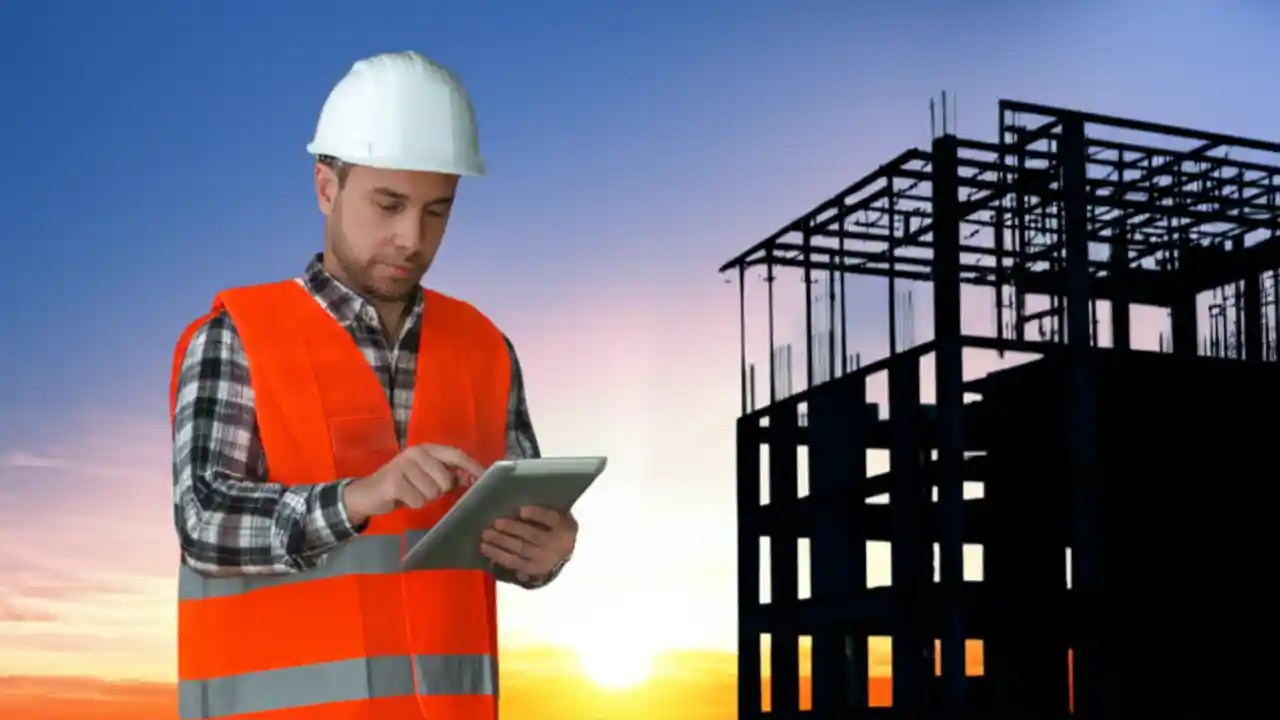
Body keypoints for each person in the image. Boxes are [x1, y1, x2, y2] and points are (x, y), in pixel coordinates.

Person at [168, 50, 577, 720]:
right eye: (388, 205)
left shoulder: (486, 350)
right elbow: (204, 522)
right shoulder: (238, 337)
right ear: (326, 187)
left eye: (437, 211)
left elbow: (506, 538)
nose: (411, 238)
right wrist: (360, 496)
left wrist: (543, 554)